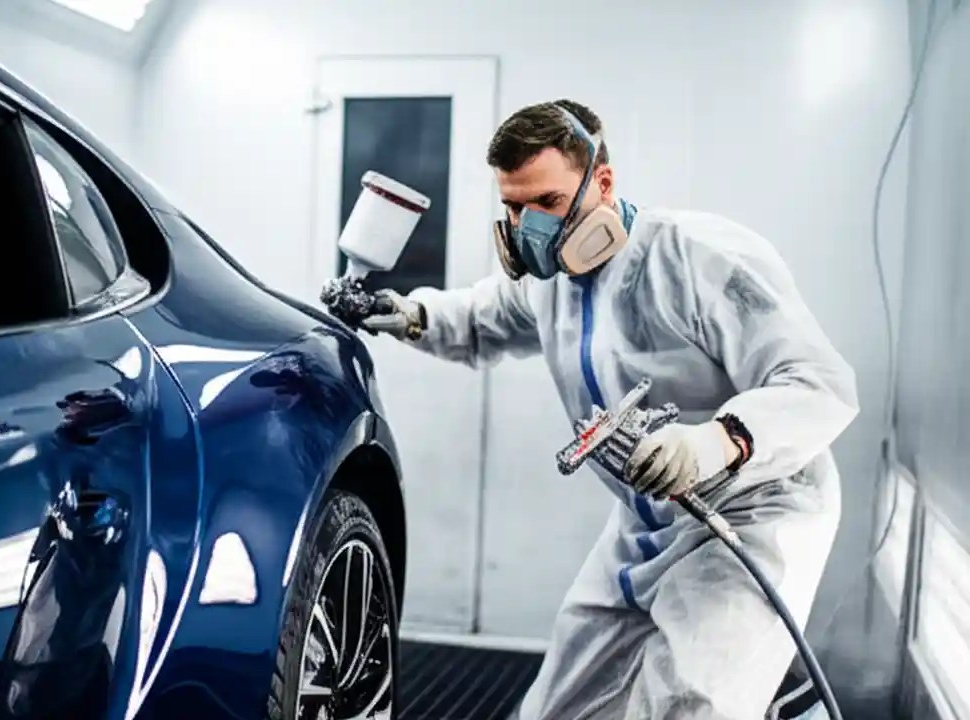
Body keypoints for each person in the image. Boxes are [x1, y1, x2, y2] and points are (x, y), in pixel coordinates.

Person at [327, 99, 859, 719]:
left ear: (601, 183)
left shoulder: (699, 257)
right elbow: (484, 316)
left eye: (548, 204)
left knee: (690, 704)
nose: (532, 229)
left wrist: (714, 442)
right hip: (646, 523)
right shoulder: (550, 284)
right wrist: (413, 315)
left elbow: (819, 382)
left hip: (751, 511)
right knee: (558, 709)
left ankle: (776, 695)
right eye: (514, 208)